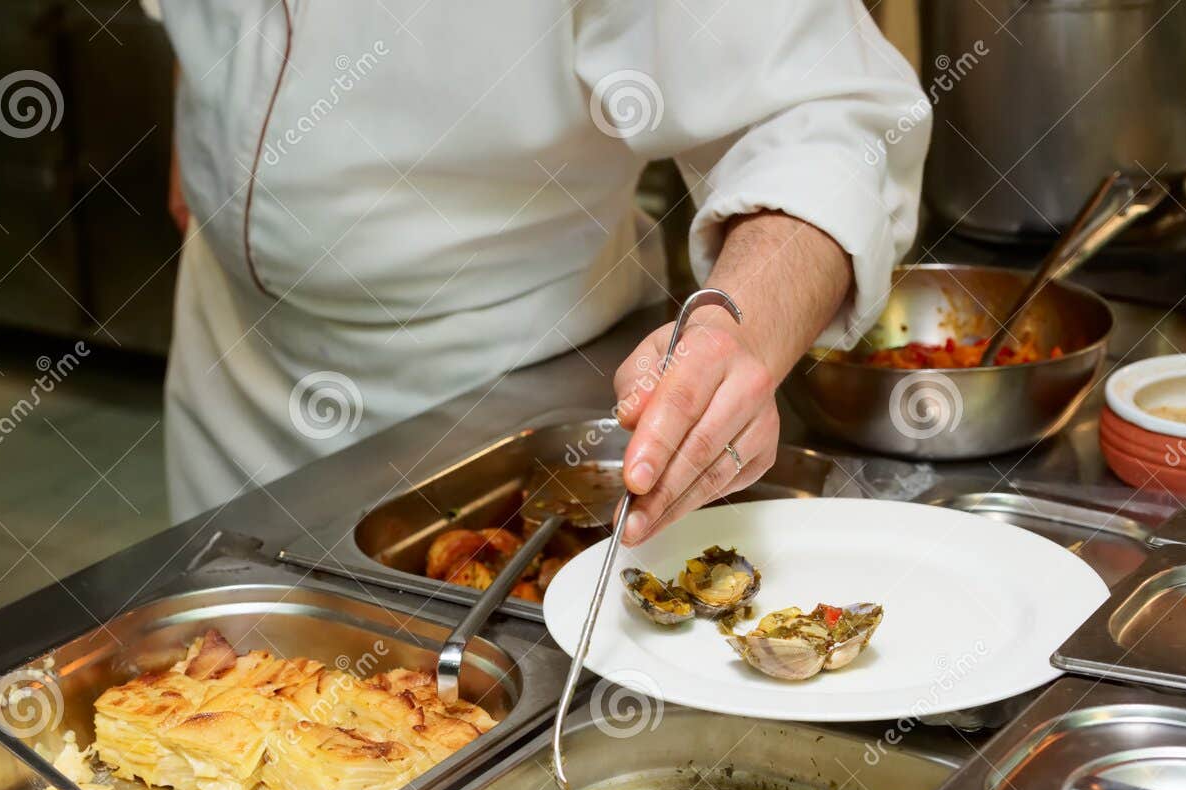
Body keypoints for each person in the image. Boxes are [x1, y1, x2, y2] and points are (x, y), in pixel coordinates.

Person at [157, 3, 928, 542]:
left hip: (500, 395)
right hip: (232, 375)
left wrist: (745, 326)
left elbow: (828, 119)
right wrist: (225, 115)